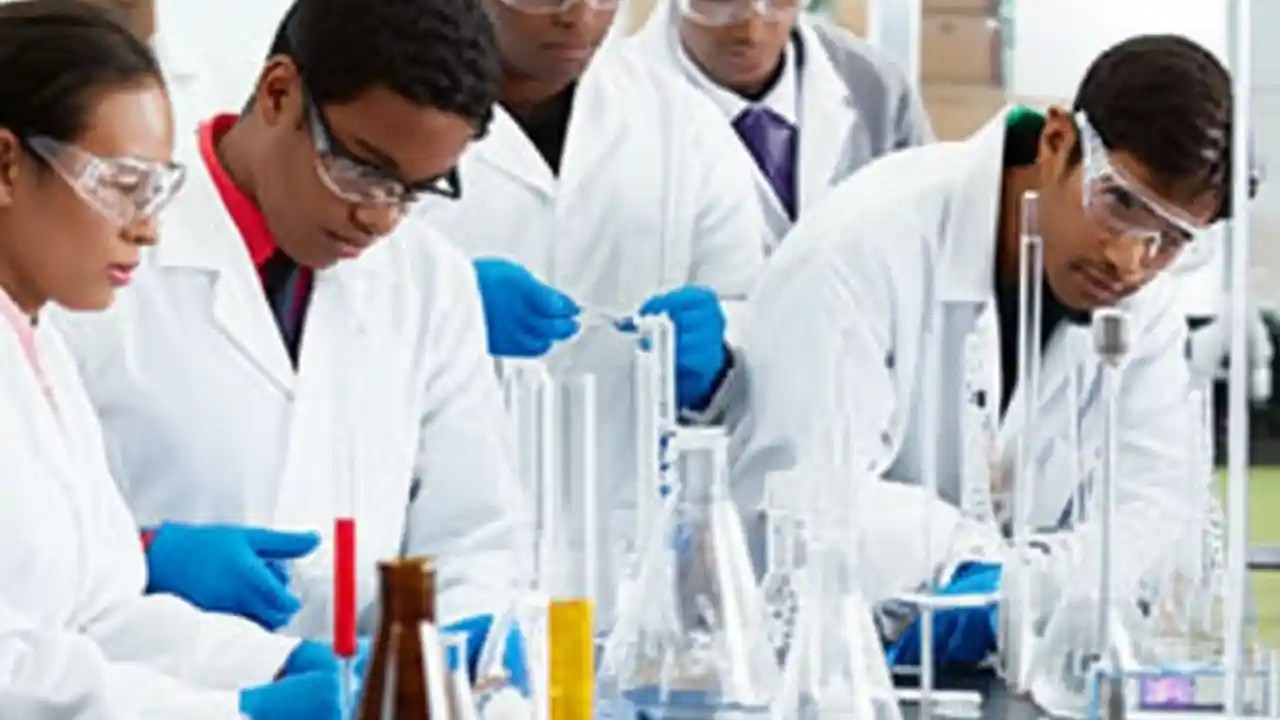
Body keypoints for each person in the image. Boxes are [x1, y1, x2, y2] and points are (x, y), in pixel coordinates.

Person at [730, 34, 1245, 675]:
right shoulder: (864, 244)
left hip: (1018, 678)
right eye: (1119, 203)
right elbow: (805, 503)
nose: (1129, 259)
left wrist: (1008, 593)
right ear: (1057, 142)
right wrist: (1006, 576)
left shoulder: (1146, 303)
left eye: (1172, 240)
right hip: (833, 676)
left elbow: (1155, 522)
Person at [52, 0, 527, 671]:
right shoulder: (95, 251)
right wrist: (145, 552)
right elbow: (26, 533)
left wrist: (453, 645)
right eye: (362, 170)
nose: (379, 218)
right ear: (279, 93)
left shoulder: (427, 282)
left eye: (413, 191)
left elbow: (473, 531)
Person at [0, 2, 340, 718]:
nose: (149, 229)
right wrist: (239, 712)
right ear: (6, 164)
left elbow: (104, 619)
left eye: (157, 192)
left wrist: (282, 664)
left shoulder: (41, 348)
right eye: (123, 187)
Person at [417, 0, 767, 623]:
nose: (576, 17)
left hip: (624, 558)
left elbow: (753, 305)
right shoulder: (394, 113)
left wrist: (718, 358)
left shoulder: (679, 123)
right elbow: (332, 307)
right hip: (439, 544)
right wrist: (445, 307)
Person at [631, 0, 932, 245]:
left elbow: (926, 236)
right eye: (722, 3)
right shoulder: (612, 103)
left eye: (775, 2)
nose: (750, 30)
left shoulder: (877, 87)